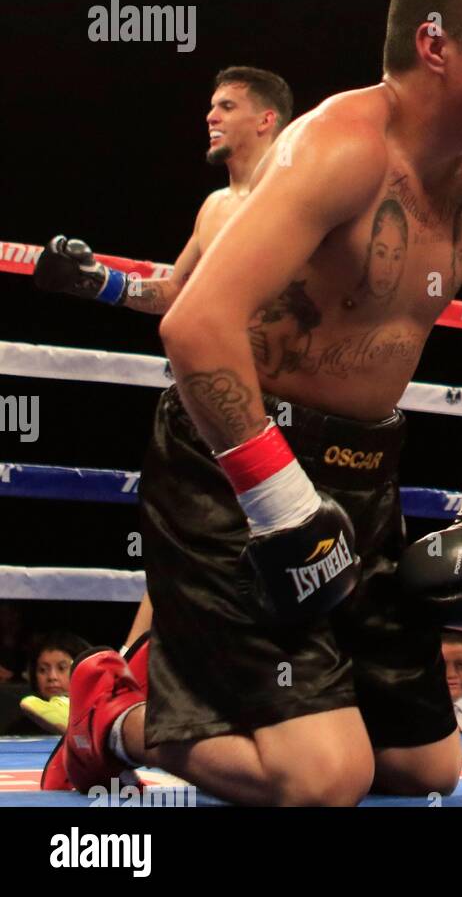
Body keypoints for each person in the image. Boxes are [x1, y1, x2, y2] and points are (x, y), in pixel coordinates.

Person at [60, 0, 462, 807]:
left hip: (367, 471)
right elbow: (194, 321)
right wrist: (279, 505)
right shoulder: (338, 148)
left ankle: (195, 680)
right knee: (327, 781)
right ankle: (110, 717)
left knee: (422, 770)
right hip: (234, 465)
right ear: (435, 45)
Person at [33, 66, 294, 655]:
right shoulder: (215, 208)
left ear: (266, 119)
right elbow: (178, 292)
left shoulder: (304, 193)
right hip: (209, 408)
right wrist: (99, 282)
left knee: (287, 560)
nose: (211, 115)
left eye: (226, 105)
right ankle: (128, 686)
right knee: (180, 551)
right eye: (211, 105)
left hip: (292, 410)